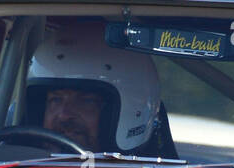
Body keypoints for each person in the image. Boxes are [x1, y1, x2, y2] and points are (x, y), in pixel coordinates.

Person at [26, 21, 161, 152]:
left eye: (85, 101)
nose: (64, 115)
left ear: (131, 112)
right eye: (55, 100)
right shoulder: (12, 166)